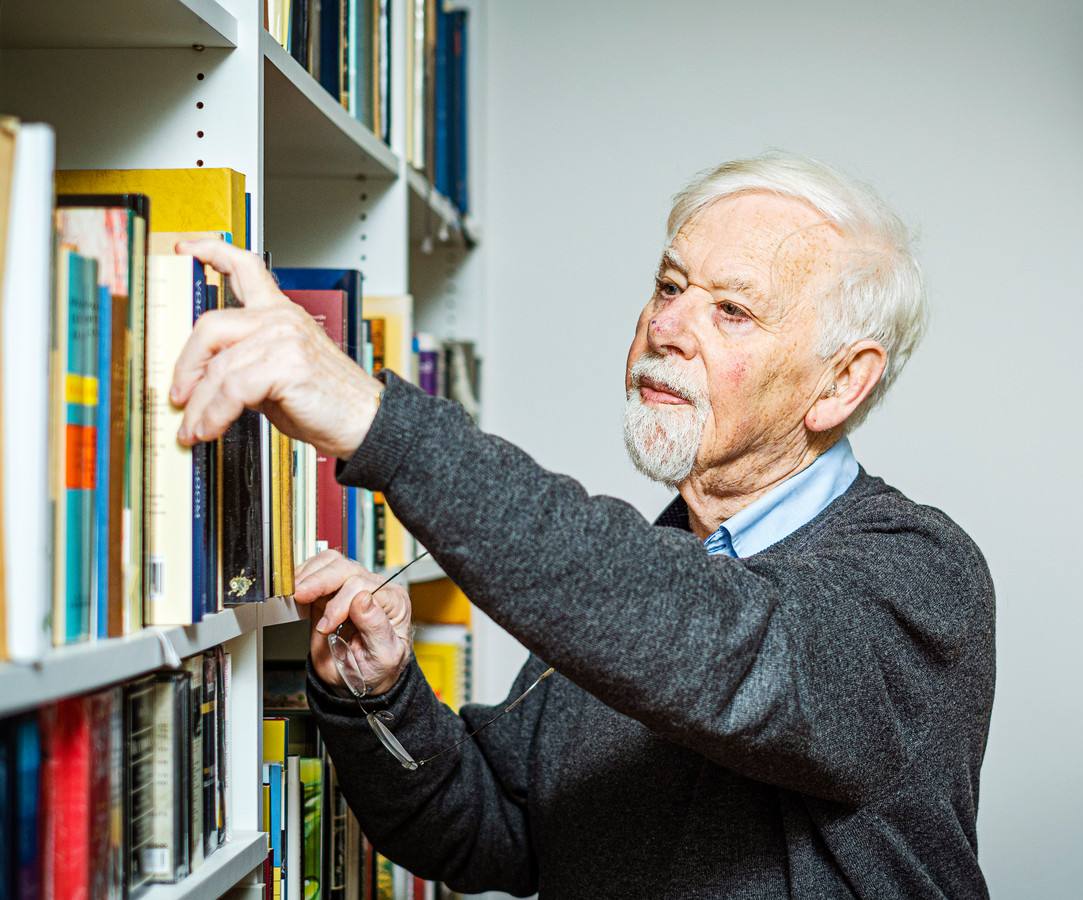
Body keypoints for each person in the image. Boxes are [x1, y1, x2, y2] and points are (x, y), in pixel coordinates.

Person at [173, 152, 996, 899]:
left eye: (733, 311)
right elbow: (498, 834)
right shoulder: (645, 571)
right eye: (670, 288)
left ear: (841, 384)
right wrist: (380, 695)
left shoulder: (921, 575)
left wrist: (374, 419)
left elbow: (719, 645)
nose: (666, 329)